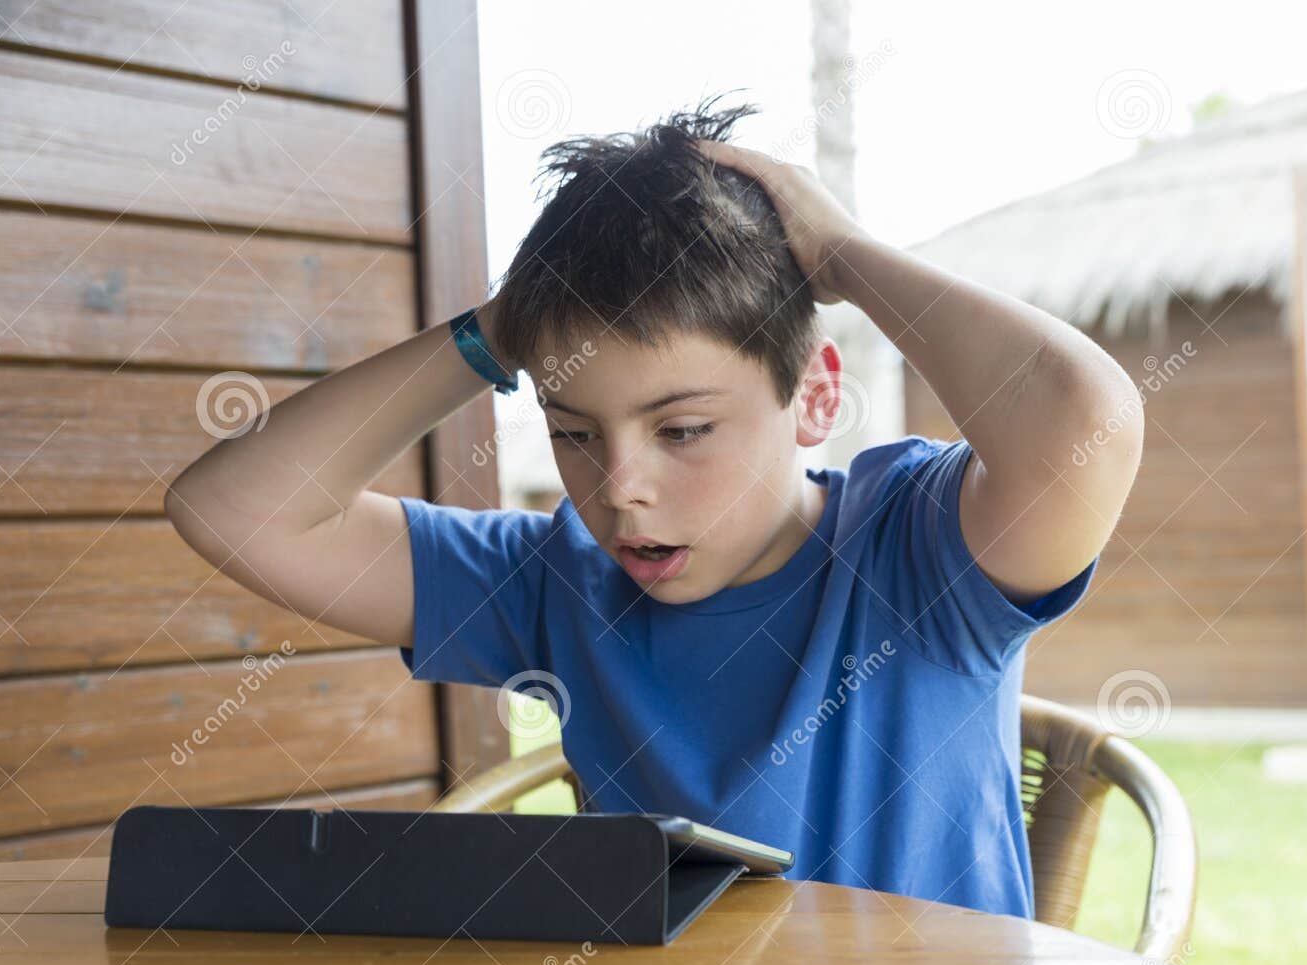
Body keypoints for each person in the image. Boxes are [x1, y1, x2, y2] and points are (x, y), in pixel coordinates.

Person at [164, 95, 1143, 918]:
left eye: (681, 432)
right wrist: (498, 332)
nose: (618, 488)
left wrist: (839, 252)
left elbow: (1084, 418)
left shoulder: (923, 551)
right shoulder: (553, 585)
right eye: (575, 432)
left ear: (814, 396)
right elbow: (233, 512)